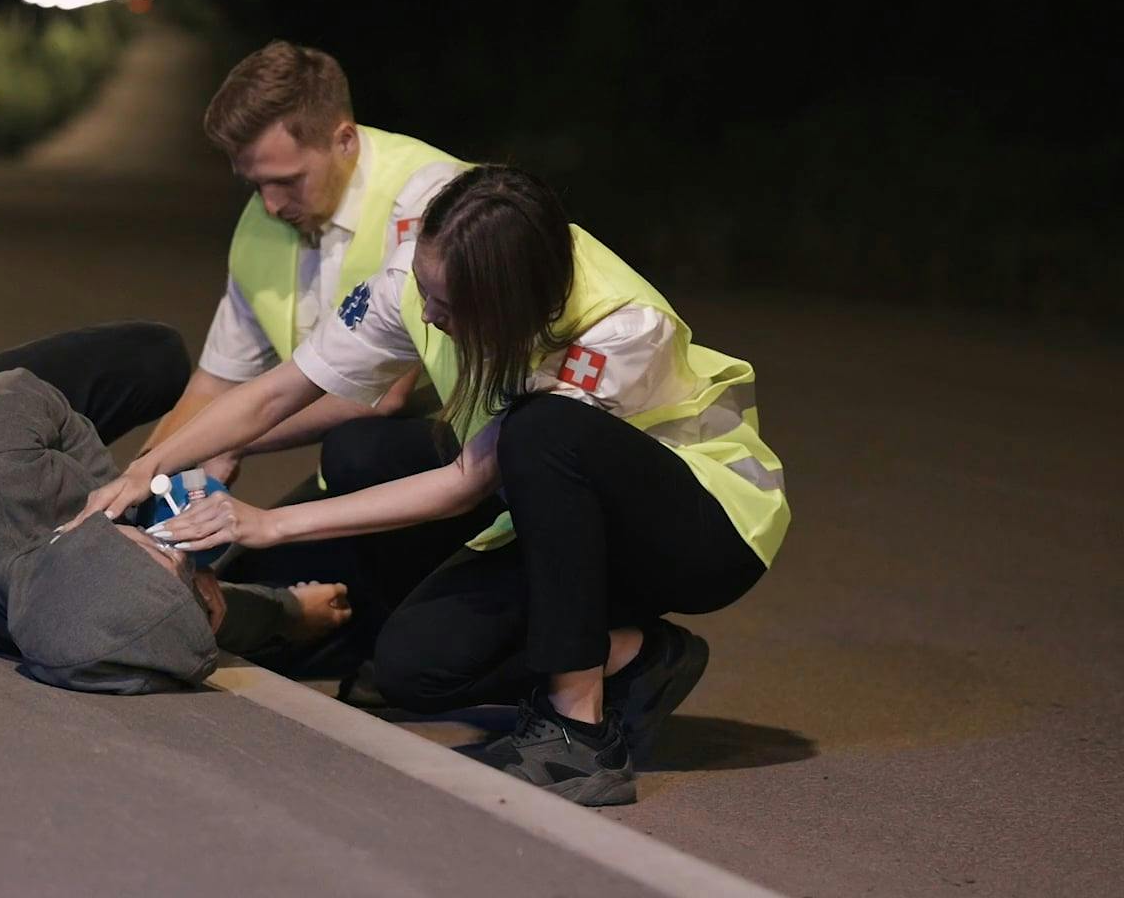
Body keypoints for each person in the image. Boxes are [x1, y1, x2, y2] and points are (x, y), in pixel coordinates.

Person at [68, 167, 789, 804]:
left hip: (703, 528)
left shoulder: (618, 333)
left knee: (541, 433)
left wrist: (268, 523)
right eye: (425, 288)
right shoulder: (432, 270)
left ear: (510, 308)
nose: (428, 312)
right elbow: (279, 391)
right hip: (560, 508)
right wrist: (146, 468)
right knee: (417, 666)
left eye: (446, 306)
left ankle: (577, 735)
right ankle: (635, 654)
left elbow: (465, 481)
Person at [149, 40, 478, 670]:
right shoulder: (265, 221)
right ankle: (368, 630)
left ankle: (402, 637)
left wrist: (236, 440)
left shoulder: (429, 198)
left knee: (354, 457)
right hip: (379, 466)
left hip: (474, 456)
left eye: (286, 180)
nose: (271, 205)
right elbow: (212, 387)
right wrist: (144, 488)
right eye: (256, 184)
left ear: (345, 140)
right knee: (243, 596)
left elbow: (381, 397)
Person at [0, 322, 350, 694]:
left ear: (95, 540)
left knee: (156, 357)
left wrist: (126, 488)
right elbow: (180, 622)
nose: (185, 560)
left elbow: (20, 391)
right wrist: (289, 611)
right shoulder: (62, 623)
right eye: (184, 576)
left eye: (165, 555)